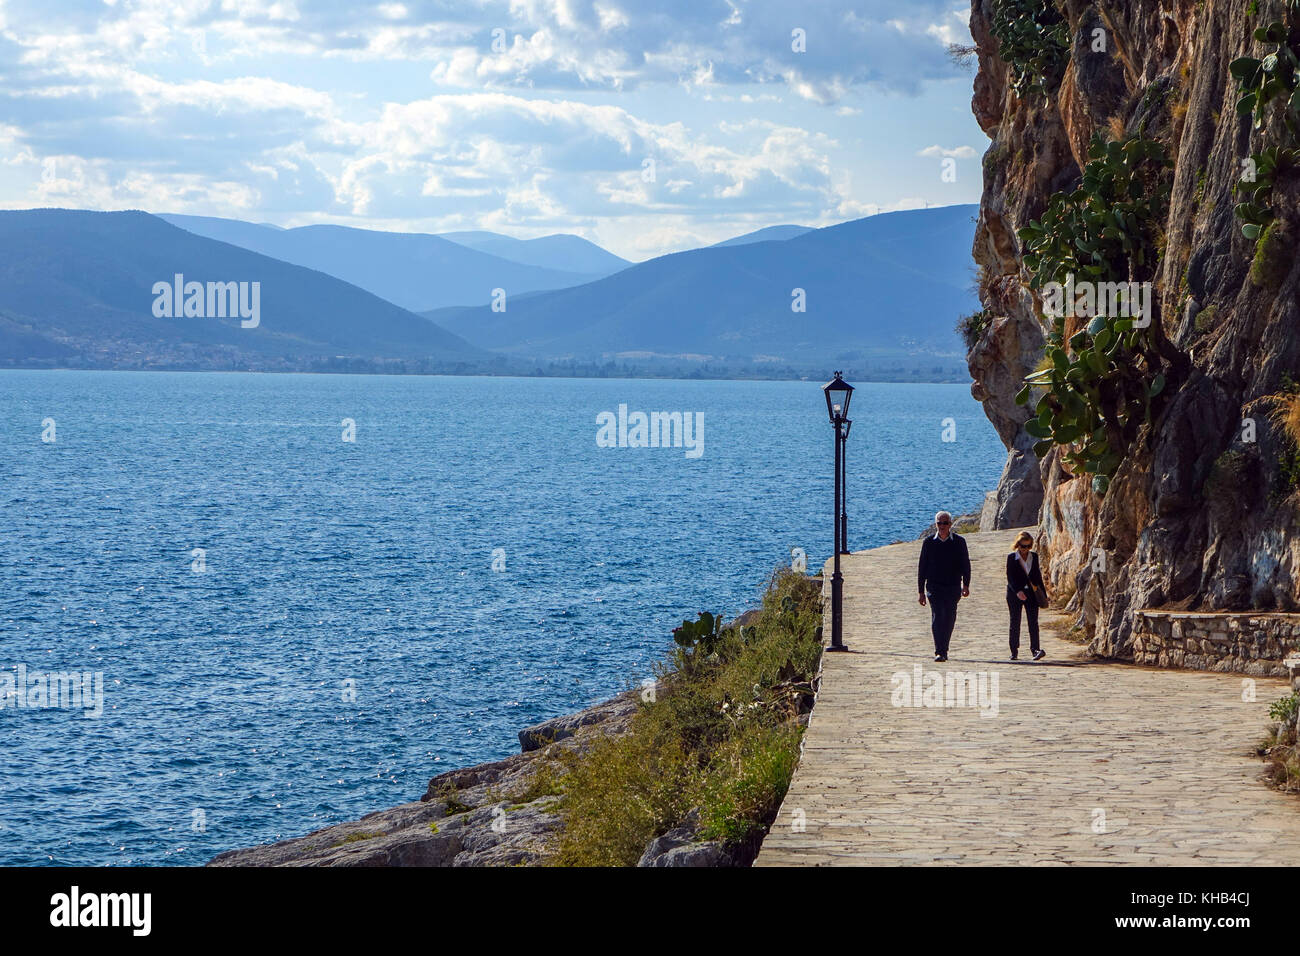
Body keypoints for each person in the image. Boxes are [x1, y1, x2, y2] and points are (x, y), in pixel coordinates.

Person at [917, 511, 970, 662]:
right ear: (936, 525)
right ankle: (939, 650)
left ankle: (944, 647)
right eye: (939, 523)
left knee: (949, 617)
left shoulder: (959, 542)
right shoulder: (928, 543)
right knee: (937, 616)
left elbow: (965, 564)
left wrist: (966, 584)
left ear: (950, 524)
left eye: (945, 523)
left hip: (953, 586)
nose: (942, 526)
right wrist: (921, 591)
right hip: (934, 587)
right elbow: (922, 567)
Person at [1006, 531, 1047, 661]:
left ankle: (1035, 649)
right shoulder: (1012, 558)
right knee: (1015, 622)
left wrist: (1043, 594)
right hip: (1015, 594)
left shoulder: (1034, 557)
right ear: (1017, 545)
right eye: (1023, 546)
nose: (1025, 549)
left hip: (1031, 593)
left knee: (1033, 623)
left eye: (1028, 546)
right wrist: (1018, 591)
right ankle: (1014, 651)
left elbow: (1037, 576)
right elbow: (1010, 578)